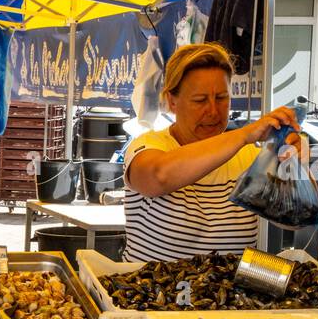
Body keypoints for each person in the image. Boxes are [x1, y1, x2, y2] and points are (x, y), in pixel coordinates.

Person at [123, 42, 301, 263]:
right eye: (200, 100)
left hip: (228, 295)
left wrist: (292, 165)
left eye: (221, 98)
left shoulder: (248, 157)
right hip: (149, 293)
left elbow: (294, 217)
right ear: (172, 101)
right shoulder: (149, 145)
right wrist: (245, 135)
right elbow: (158, 177)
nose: (213, 111)